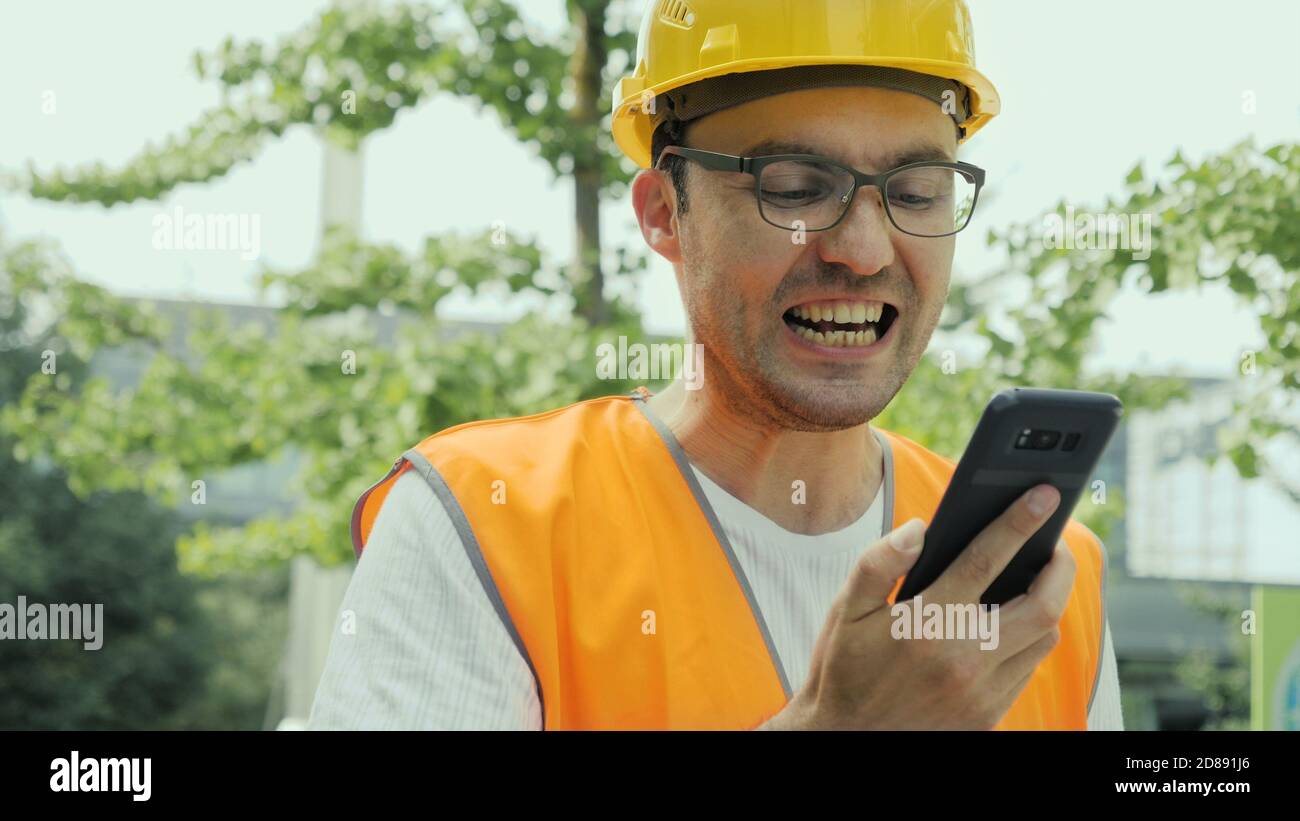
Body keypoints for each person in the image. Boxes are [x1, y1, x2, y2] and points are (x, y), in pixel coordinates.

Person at [309, 0, 1123, 731]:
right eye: (796, 187)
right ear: (665, 214)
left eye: (915, 193)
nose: (863, 251)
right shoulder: (486, 526)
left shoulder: (1051, 584)